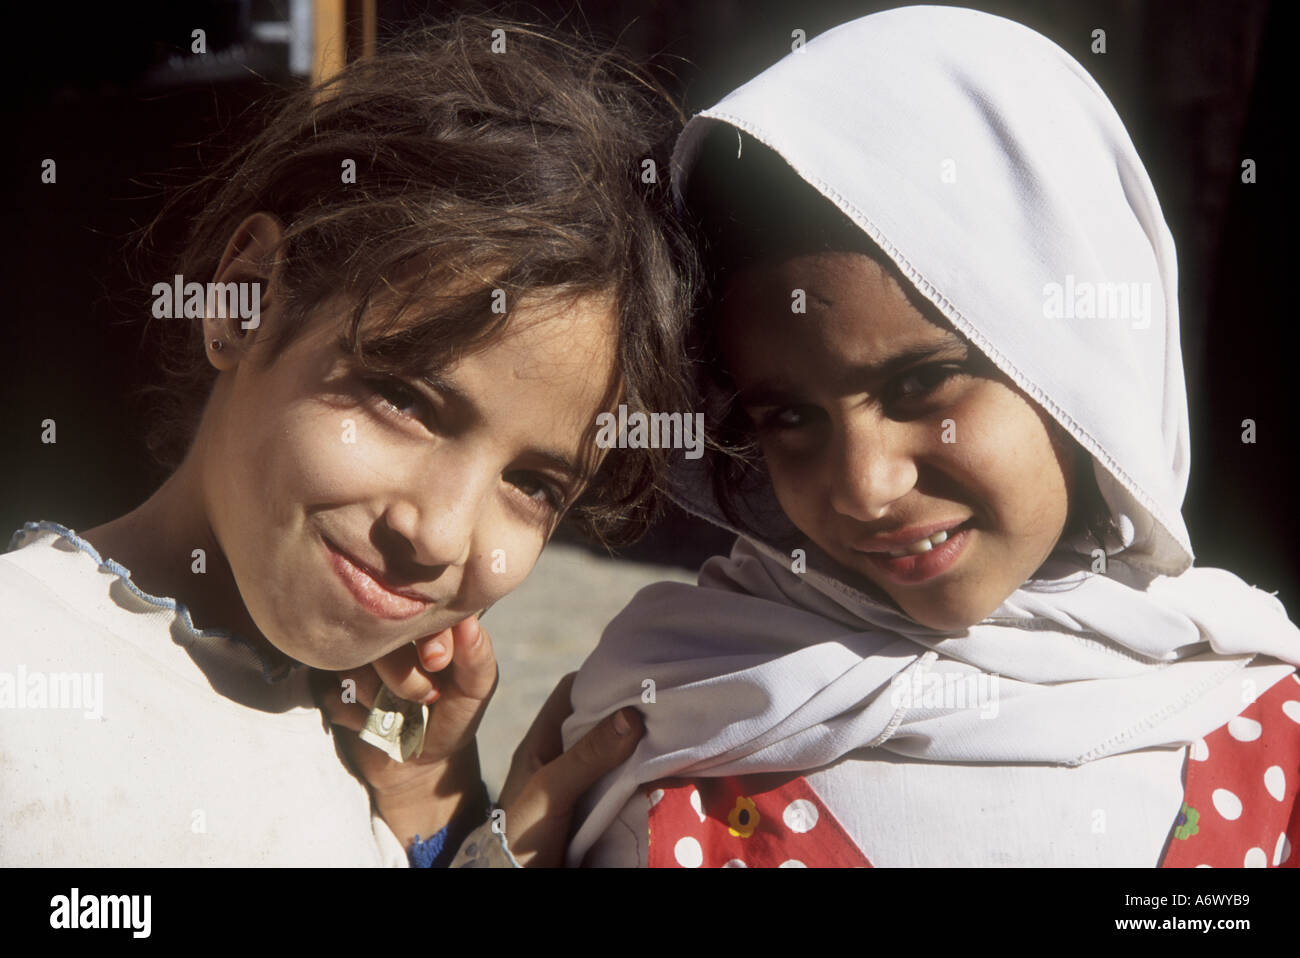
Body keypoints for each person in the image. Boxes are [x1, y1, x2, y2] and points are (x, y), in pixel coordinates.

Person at [558, 6, 1300, 868]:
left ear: (1086, 352)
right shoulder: (681, 731)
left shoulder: (1259, 728)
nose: (864, 487)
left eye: (919, 385)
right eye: (788, 417)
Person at [0, 15, 694, 867]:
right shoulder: (25, 659)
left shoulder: (381, 756)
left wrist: (433, 798)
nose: (439, 533)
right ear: (245, 299)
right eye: (404, 399)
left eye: (536, 486)